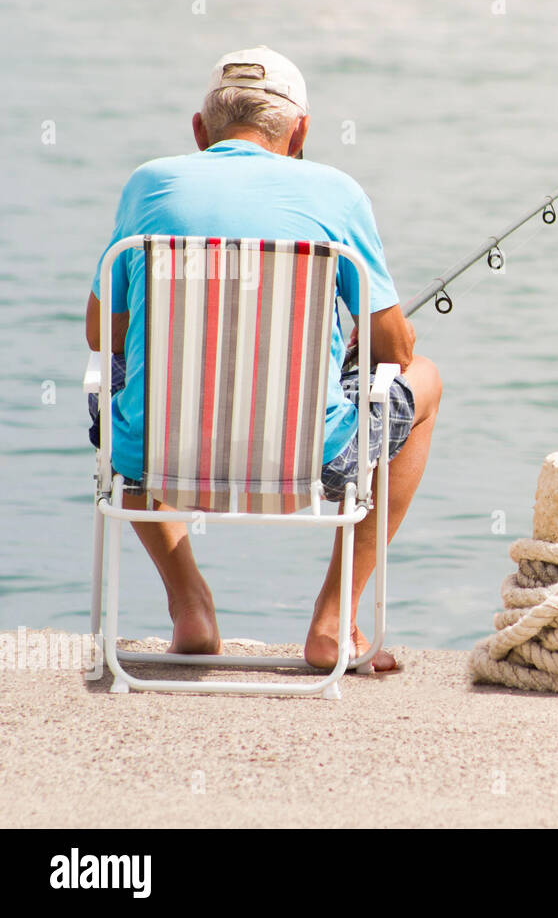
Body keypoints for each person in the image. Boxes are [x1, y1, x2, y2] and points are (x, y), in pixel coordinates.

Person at [85, 46, 441, 671]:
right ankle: (334, 623)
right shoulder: (336, 193)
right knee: (424, 380)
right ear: (300, 131)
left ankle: (189, 605)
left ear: (200, 131)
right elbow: (393, 349)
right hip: (312, 457)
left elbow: (100, 333)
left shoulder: (150, 184)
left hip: (155, 454)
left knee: (121, 384)